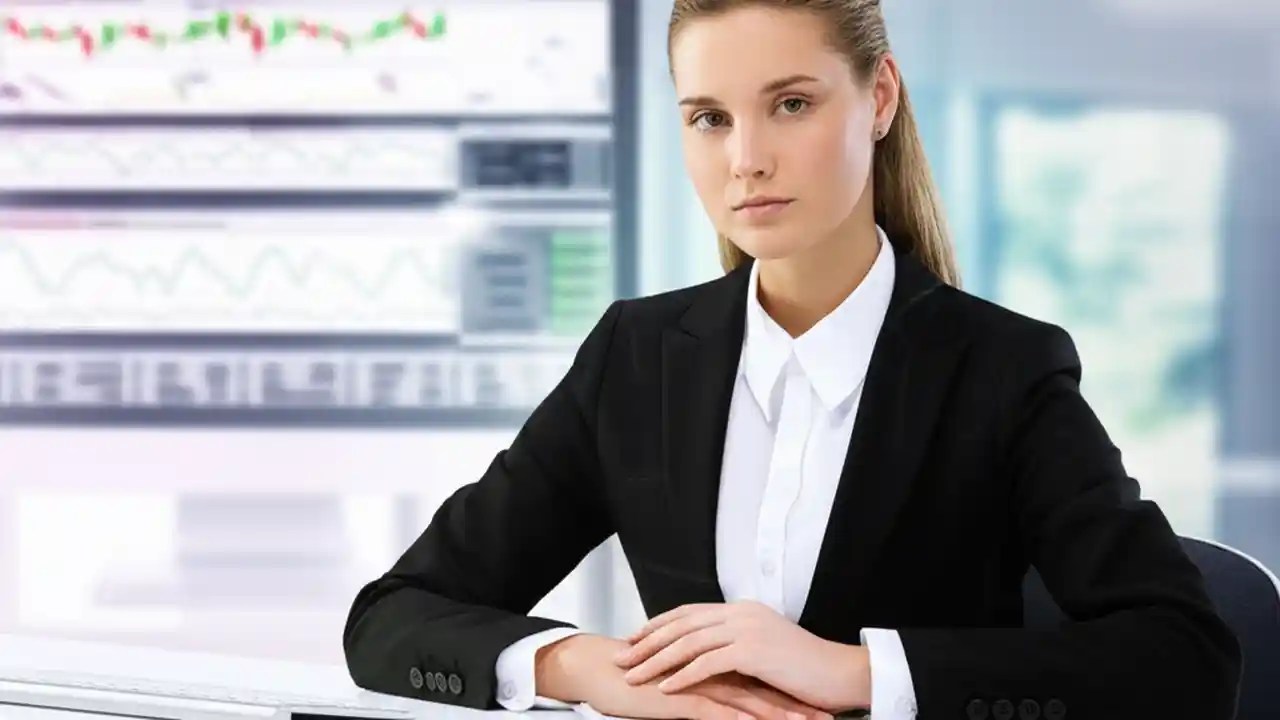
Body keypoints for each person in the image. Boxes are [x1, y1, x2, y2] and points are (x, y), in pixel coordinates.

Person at [343, 1, 1242, 718]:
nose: (746, 160)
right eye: (708, 117)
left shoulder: (1002, 370)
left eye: (792, 104)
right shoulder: (639, 357)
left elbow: (1182, 656)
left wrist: (851, 672)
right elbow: (393, 616)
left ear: (879, 97)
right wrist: (591, 668)